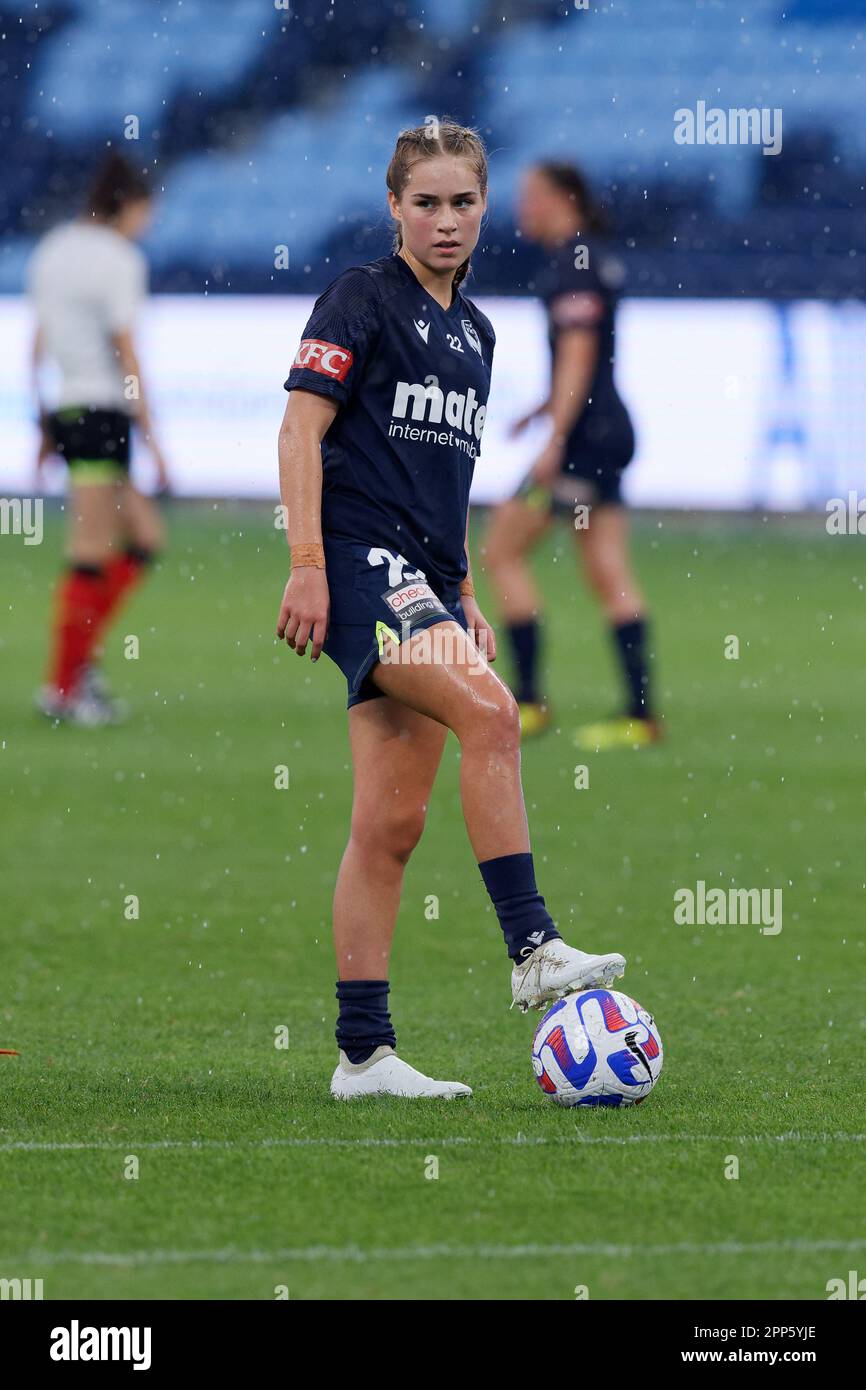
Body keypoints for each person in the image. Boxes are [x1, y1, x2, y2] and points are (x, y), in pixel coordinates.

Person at [276, 121, 626, 1102]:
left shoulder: (476, 333)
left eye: (461, 202)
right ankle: (531, 946)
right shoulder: (359, 298)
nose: (442, 220)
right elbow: (299, 430)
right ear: (393, 206)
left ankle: (363, 1055)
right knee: (490, 714)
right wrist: (306, 561)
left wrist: (462, 590)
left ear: (482, 208)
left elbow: (447, 478)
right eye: (422, 202)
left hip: (421, 576)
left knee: (389, 823)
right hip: (354, 562)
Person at [483, 162, 659, 750]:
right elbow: (584, 362)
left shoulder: (573, 264)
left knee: (501, 549)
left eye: (530, 196)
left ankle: (529, 701)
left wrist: (553, 439)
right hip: (608, 431)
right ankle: (640, 715)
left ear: (563, 199)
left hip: (584, 441)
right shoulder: (596, 257)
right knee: (609, 569)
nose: (521, 208)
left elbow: (580, 356)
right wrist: (542, 409)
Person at [29, 153, 169, 726]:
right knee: (92, 550)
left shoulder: (53, 250)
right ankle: (64, 687)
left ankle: (77, 668)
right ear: (128, 206)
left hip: (69, 407)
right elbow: (126, 348)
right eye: (145, 212)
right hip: (103, 412)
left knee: (143, 536)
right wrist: (151, 431)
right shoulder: (118, 259)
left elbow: (36, 342)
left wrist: (44, 425)